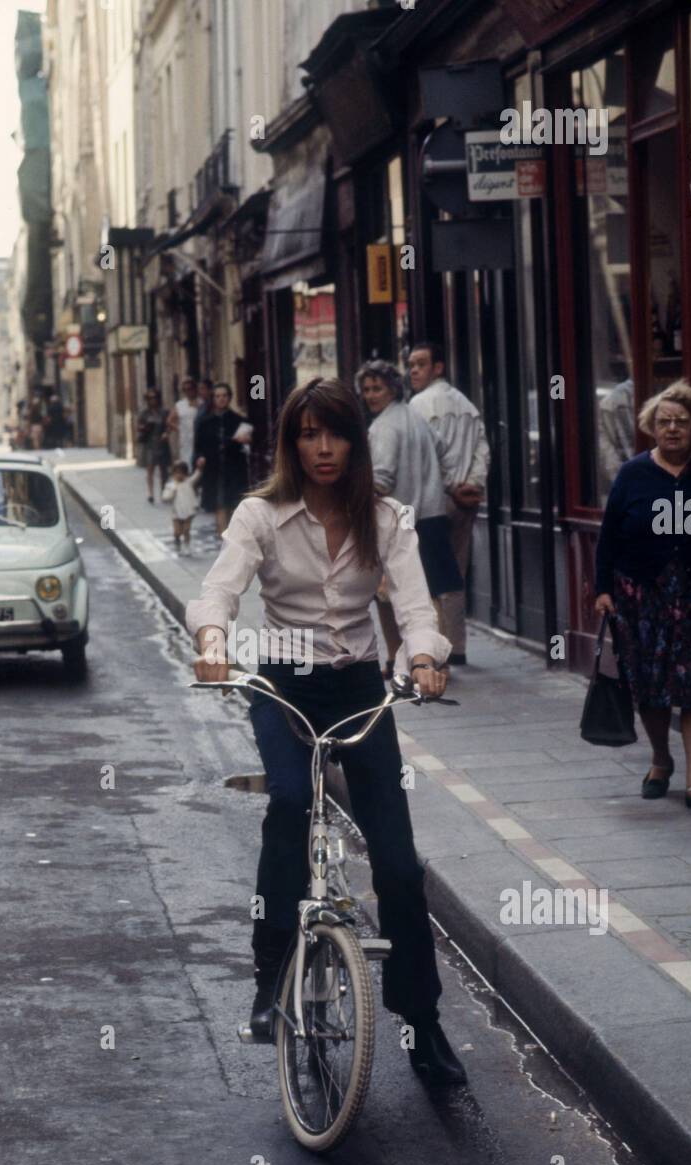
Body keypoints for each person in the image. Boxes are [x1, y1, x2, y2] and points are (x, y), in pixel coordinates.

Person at [186, 376, 466, 1087]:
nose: (323, 448)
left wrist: (426, 656)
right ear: (290, 441)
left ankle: (422, 1024)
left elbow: (415, 606)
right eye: (308, 434)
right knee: (287, 802)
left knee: (399, 864)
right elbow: (219, 590)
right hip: (281, 683)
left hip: (357, 687)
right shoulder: (259, 514)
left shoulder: (388, 516)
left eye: (336, 433)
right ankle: (268, 975)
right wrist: (214, 641)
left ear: (356, 440)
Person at [594, 380, 691, 810]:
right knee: (650, 687)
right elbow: (609, 536)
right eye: (664, 421)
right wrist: (601, 589)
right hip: (641, 597)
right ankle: (660, 759)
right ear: (651, 427)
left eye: (682, 422)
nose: (672, 429)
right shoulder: (633, 474)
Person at [356, 359, 462, 680]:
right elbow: (444, 451)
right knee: (430, 593)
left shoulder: (384, 426)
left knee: (388, 594)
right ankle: (435, 661)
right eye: (366, 389)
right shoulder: (416, 416)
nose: (371, 395)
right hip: (430, 513)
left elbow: (382, 479)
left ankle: (395, 658)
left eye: (378, 388)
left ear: (393, 388)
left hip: (400, 519)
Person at [408, 342, 490, 665]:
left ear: (437, 368)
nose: (413, 371)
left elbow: (425, 457)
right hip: (463, 499)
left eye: (420, 364)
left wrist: (452, 487)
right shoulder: (467, 406)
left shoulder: (417, 406)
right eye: (411, 365)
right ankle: (456, 646)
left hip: (435, 500)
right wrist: (473, 483)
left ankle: (436, 647)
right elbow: (483, 448)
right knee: (456, 571)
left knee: (429, 574)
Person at [194, 382, 250, 539]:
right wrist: (199, 458)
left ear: (230, 398)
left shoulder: (239, 420)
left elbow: (249, 444)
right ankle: (223, 540)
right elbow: (198, 447)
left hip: (235, 470)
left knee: (235, 504)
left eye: (224, 396)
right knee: (219, 504)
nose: (221, 399)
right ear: (213, 399)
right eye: (218, 396)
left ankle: (233, 539)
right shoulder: (205, 422)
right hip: (214, 469)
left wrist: (246, 441)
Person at [136, 388, 171, 503]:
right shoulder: (144, 413)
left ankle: (163, 493)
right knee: (150, 469)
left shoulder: (164, 412)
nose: (153, 400)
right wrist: (145, 427)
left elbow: (168, 425)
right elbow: (138, 427)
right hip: (150, 444)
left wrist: (166, 433)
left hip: (162, 443)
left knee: (163, 470)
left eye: (155, 397)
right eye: (150, 398)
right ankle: (150, 493)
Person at [165, 458, 204, 555]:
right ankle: (177, 541)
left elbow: (197, 475)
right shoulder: (171, 485)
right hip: (176, 512)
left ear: (186, 474)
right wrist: (172, 492)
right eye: (177, 473)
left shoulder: (188, 482)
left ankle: (186, 546)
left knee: (186, 530)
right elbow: (165, 497)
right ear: (173, 473)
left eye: (182, 473)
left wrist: (199, 467)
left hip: (188, 511)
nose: (179, 475)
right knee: (177, 532)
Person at [167, 376, 200, 471]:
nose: (188, 391)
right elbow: (169, 421)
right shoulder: (180, 405)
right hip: (185, 439)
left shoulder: (201, 403)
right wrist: (180, 429)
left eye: (190, 388)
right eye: (185, 390)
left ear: (195, 388)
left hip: (199, 437)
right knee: (187, 463)